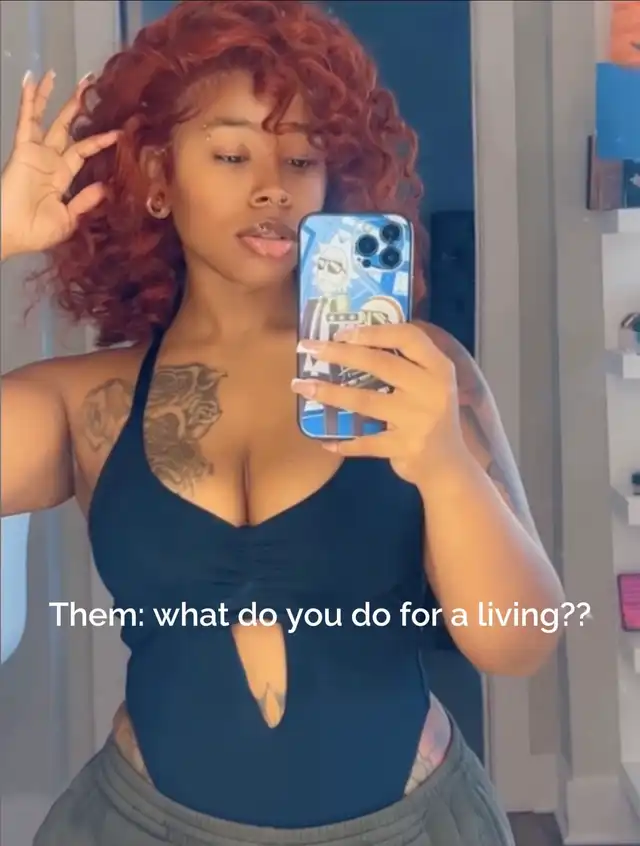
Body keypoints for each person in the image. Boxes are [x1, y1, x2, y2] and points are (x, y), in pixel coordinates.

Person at [0, 1, 565, 844]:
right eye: (232, 154)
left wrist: (444, 464)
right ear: (156, 177)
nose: (273, 185)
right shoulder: (85, 400)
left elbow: (518, 643)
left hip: (415, 826)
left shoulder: (416, 373)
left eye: (302, 157)